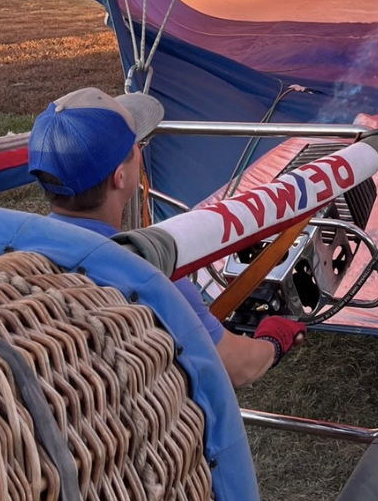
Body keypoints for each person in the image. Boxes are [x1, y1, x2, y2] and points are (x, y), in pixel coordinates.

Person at [27, 87, 304, 387]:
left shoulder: (16, 252)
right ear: (120, 177)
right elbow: (237, 367)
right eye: (136, 145)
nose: (140, 151)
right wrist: (274, 340)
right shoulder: (149, 274)